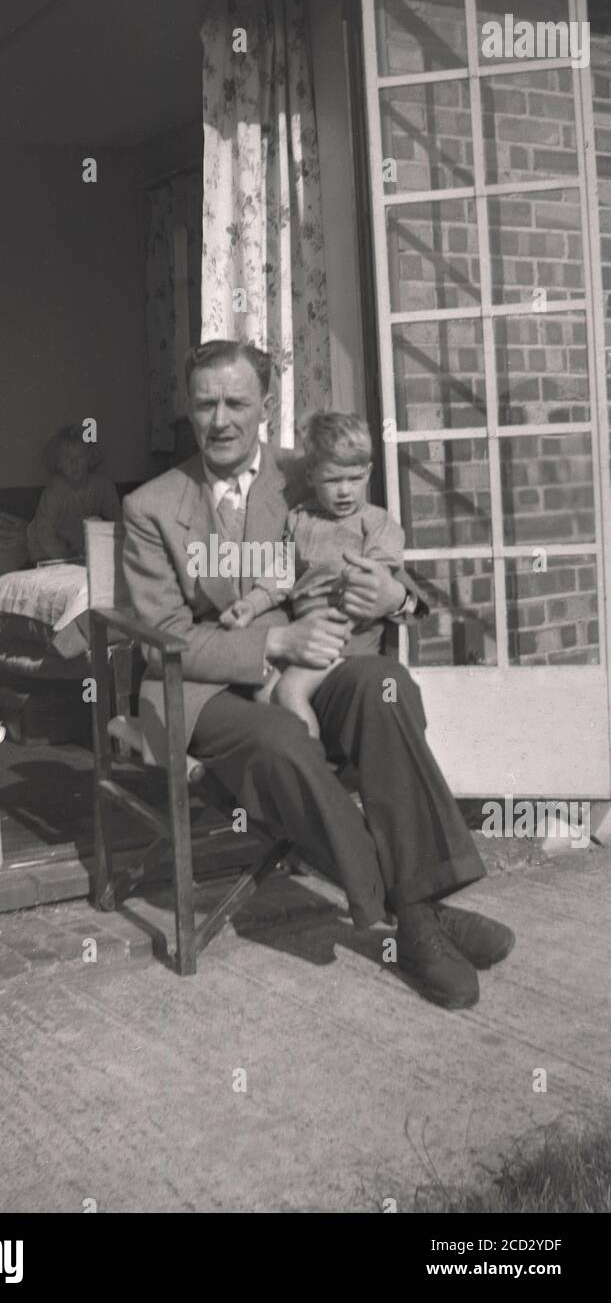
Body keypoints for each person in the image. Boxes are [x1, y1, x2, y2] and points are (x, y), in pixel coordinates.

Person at [122, 340, 514, 1010]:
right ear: (188, 409)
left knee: (382, 687)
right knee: (280, 740)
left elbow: (373, 545)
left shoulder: (308, 473)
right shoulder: (152, 505)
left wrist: (397, 599)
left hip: (313, 663)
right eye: (204, 403)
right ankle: (415, 917)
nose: (219, 420)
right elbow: (167, 637)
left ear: (265, 408)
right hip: (204, 686)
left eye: (236, 403)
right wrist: (274, 635)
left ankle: (412, 903)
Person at [218, 410, 406, 738]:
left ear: (369, 473)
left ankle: (313, 774)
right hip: (306, 633)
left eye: (355, 478)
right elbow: (281, 575)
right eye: (333, 481)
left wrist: (338, 624)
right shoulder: (300, 520)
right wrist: (249, 605)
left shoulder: (376, 523)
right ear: (310, 476)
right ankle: (299, 764)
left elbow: (374, 582)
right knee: (263, 693)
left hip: (348, 635)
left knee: (289, 692)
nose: (345, 491)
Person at [26, 424, 121, 564]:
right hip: (43, 546)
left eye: (80, 457)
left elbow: (117, 518)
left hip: (76, 542)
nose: (74, 463)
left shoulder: (103, 485)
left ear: (90, 458)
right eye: (67, 458)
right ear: (57, 462)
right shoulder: (55, 489)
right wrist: (64, 557)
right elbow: (44, 530)